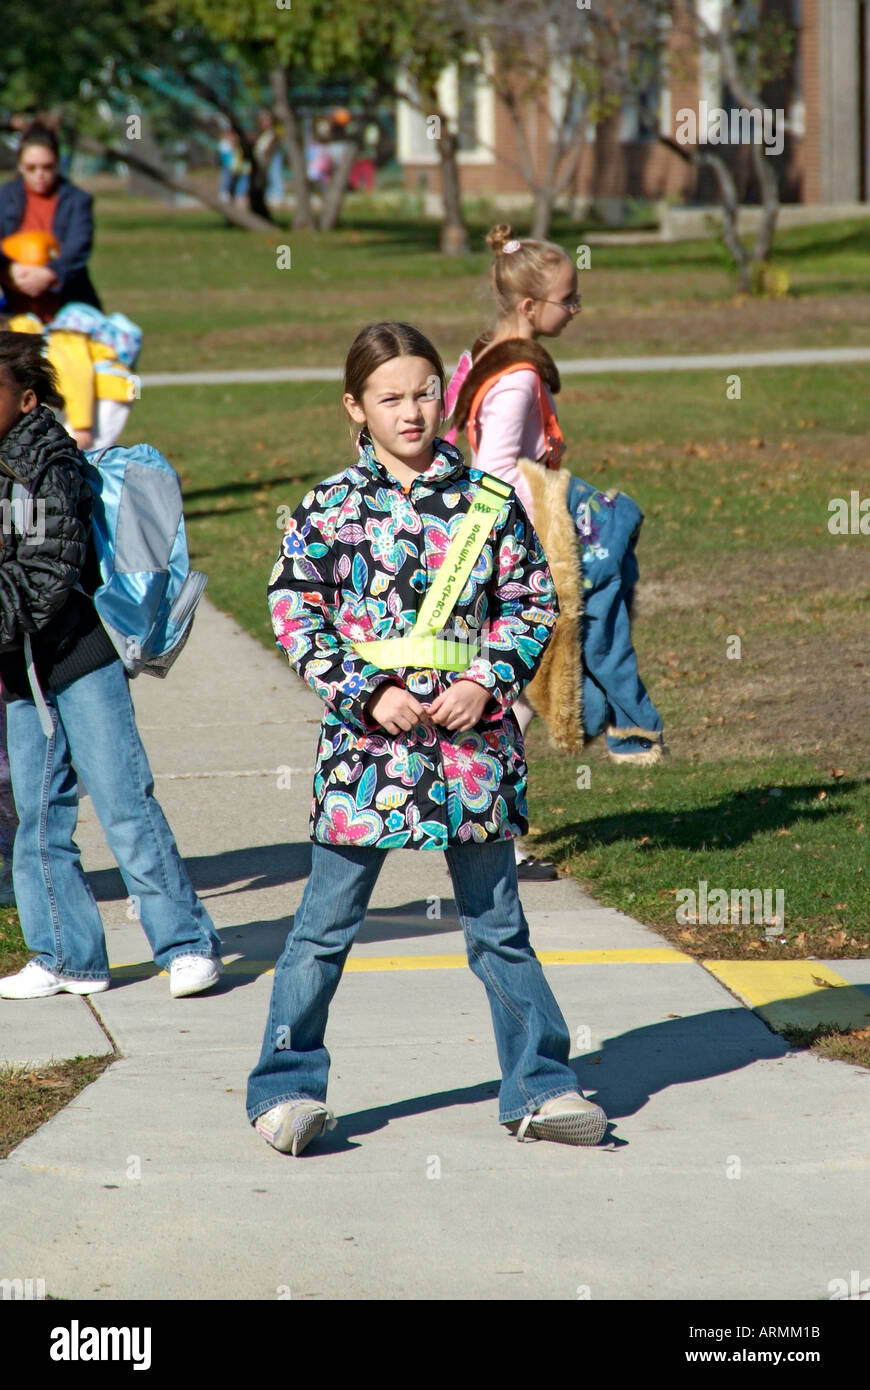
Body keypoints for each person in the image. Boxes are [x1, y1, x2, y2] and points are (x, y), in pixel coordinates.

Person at [246, 320, 608, 1157]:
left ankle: (540, 1085)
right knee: (323, 928)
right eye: (388, 398)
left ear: (442, 397)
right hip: (365, 754)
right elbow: (295, 611)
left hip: (470, 748)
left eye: (421, 394)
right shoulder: (328, 509)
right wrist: (363, 692)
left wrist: (488, 681)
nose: (409, 413)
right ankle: (285, 1091)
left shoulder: (486, 501)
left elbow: (530, 601)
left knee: (498, 925)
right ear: (355, 407)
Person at [0, 331, 223, 1001]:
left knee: (125, 803)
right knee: (39, 819)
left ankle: (186, 945)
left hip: (79, 660)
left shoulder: (48, 462)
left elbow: (46, 577)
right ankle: (67, 956)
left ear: (28, 398)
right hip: (20, 673)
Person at [446, 223, 665, 880]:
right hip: (518, 548)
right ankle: (488, 832)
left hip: (511, 544)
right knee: (510, 690)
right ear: (528, 306)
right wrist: (545, 523)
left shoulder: (493, 353)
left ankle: (484, 826)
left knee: (510, 688)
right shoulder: (515, 379)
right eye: (567, 299)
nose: (575, 308)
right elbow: (492, 470)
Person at [0, 124, 102, 322]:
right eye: (31, 167)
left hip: (65, 305)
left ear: (58, 164)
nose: (40, 174)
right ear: (20, 166)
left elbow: (78, 247)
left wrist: (50, 274)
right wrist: (9, 270)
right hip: (11, 307)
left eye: (47, 167)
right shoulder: (5, 197)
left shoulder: (77, 200)